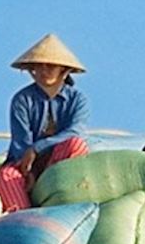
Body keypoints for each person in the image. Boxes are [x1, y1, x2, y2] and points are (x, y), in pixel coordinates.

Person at [5, 34, 91, 179]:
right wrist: (28, 171)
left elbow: (75, 132)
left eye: (51, 66)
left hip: (59, 158)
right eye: (40, 66)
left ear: (64, 71)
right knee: (7, 176)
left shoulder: (77, 100)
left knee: (76, 145)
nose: (44, 71)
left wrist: (38, 148)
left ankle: (53, 180)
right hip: (26, 162)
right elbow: (21, 141)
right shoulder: (22, 99)